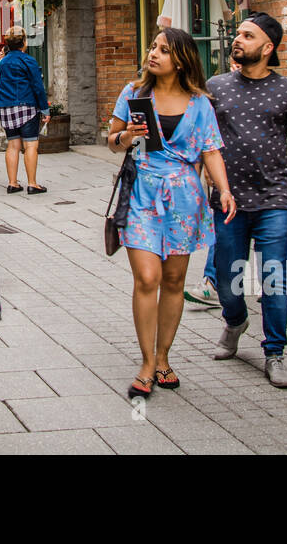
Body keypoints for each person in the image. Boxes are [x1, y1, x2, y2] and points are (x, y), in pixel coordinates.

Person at [108, 28, 236, 399]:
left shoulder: (199, 103)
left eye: (163, 50)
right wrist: (128, 136)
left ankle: (164, 356)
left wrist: (224, 190)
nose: (154, 54)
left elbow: (211, 151)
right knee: (147, 278)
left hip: (184, 197)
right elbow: (112, 141)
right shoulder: (135, 94)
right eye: (152, 47)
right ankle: (147, 363)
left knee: (174, 281)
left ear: (180, 59)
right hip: (143, 191)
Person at [208, 13, 287, 388]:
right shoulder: (216, 87)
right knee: (226, 277)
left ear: (267, 47)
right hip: (227, 201)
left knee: (275, 278)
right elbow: (202, 142)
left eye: (247, 35)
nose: (238, 39)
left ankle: (275, 351)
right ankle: (235, 321)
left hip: (274, 199)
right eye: (238, 33)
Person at [0, 26, 51, 194]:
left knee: (13, 145)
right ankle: (32, 183)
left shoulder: (1, 62)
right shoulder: (29, 60)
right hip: (27, 105)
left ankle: (12, 183)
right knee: (31, 144)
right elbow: (38, 87)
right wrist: (45, 109)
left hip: (6, 107)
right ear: (24, 42)